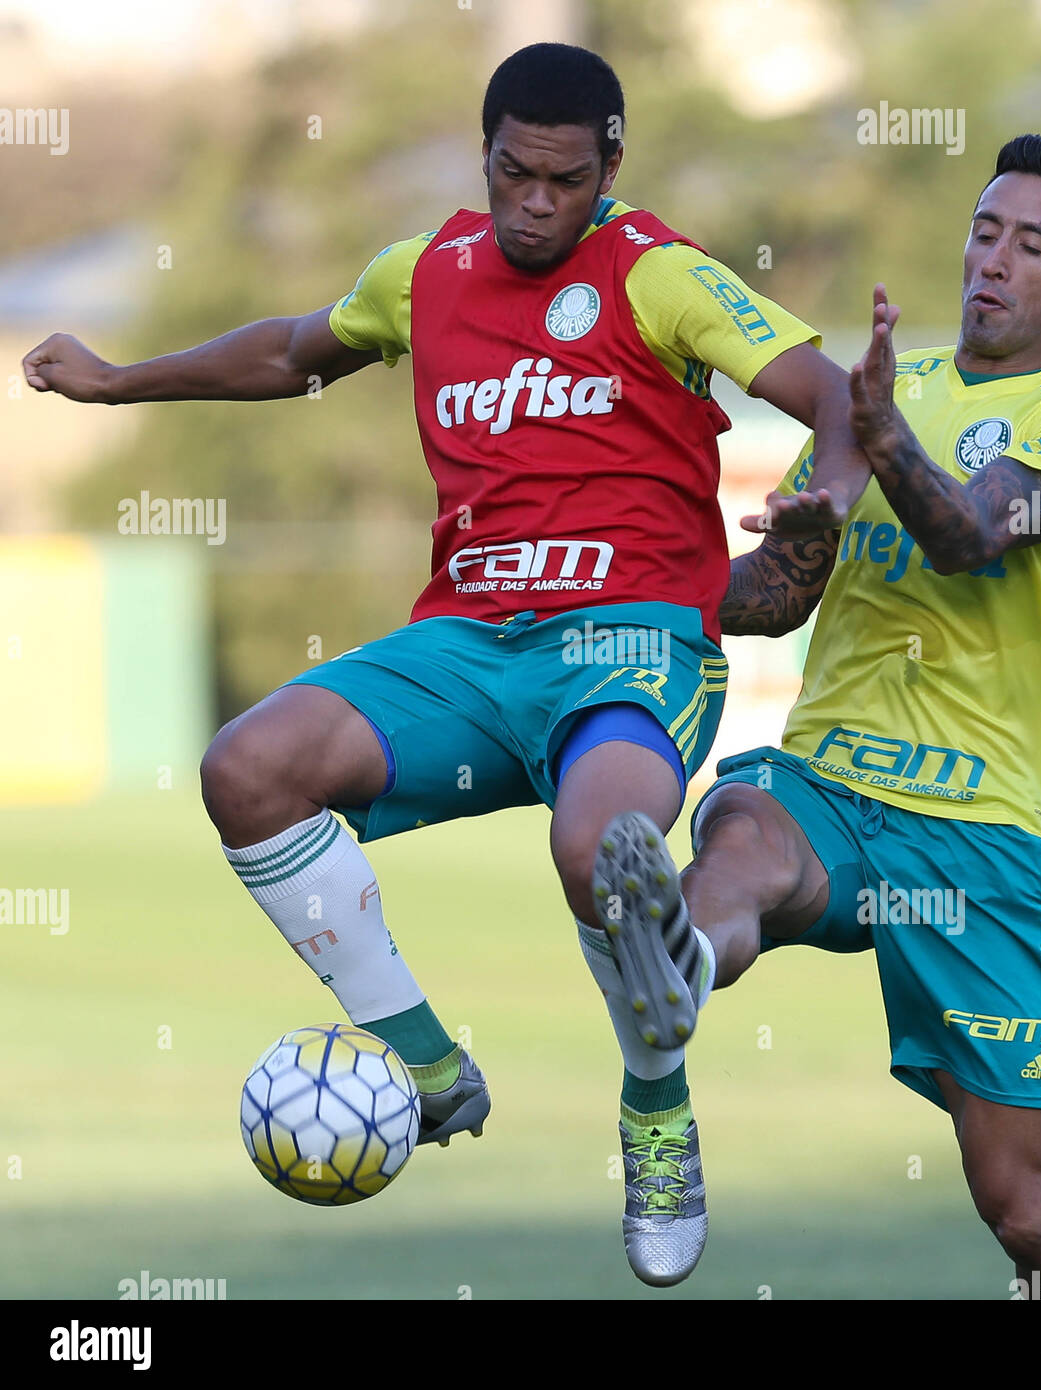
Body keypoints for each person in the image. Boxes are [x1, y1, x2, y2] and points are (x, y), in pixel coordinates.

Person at [22, 42, 868, 1288]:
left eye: (563, 182)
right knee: (246, 770)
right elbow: (290, 352)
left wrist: (822, 509)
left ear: (610, 168)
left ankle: (655, 1116)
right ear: (484, 156)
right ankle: (424, 1063)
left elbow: (839, 402)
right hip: (469, 641)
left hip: (629, 640)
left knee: (600, 852)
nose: (534, 203)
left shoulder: (664, 276)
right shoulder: (423, 274)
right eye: (511, 173)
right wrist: (118, 384)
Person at [593, 134, 1041, 1298]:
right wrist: (715, 561)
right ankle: (672, 965)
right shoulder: (884, 394)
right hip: (831, 779)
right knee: (737, 823)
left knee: (1032, 1219)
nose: (992, 260)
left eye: (1030, 245)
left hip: (977, 832)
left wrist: (881, 440)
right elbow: (772, 601)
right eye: (983, 231)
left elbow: (975, 534)